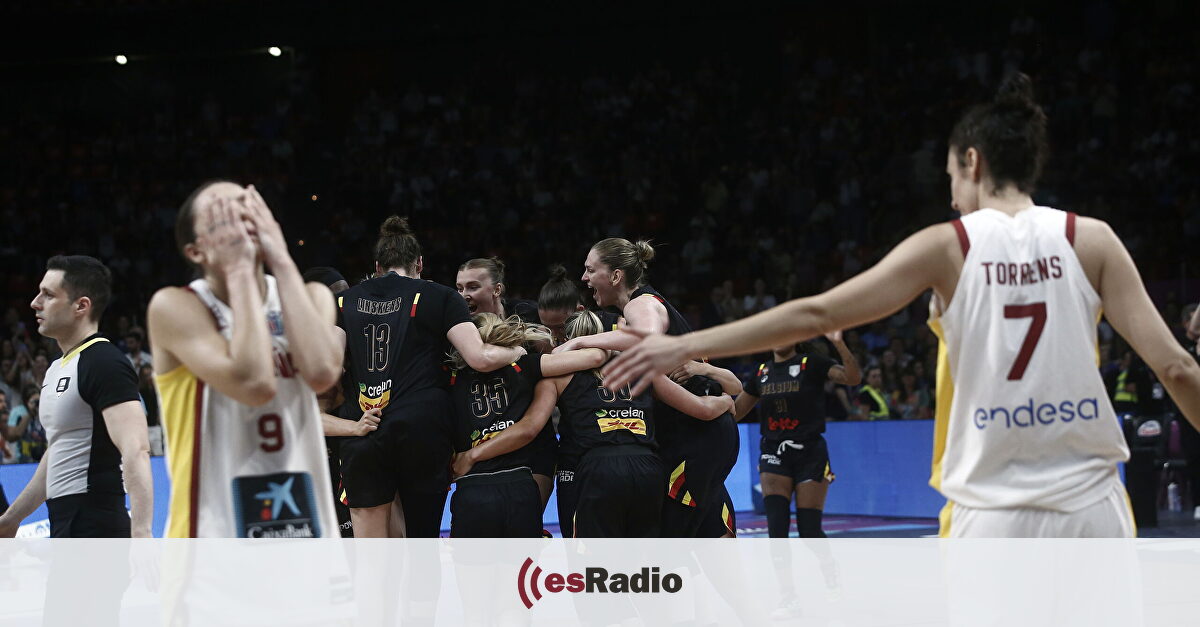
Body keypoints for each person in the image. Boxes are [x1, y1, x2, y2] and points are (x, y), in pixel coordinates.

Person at [605, 73, 1200, 537]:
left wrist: (688, 343)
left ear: (973, 162)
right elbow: (1177, 368)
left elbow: (817, 314)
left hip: (992, 510)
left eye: (950, 178)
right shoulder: (1090, 238)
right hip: (1092, 505)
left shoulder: (949, 245)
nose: (952, 195)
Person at [149, 182, 342, 537]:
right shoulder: (176, 307)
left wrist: (281, 258)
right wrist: (239, 271)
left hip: (305, 527)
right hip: (213, 541)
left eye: (245, 207)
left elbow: (321, 373)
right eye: (221, 216)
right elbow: (255, 384)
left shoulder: (313, 296)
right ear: (195, 251)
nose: (239, 221)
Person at [457, 310, 734, 537]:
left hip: (597, 469)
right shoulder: (639, 368)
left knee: (593, 573)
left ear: (570, 339)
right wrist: (725, 402)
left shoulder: (555, 377)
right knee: (645, 571)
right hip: (647, 467)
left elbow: (531, 427)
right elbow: (702, 409)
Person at [337, 216, 525, 538]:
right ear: (419, 263)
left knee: (374, 554)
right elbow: (479, 359)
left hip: (363, 427)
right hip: (422, 428)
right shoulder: (440, 296)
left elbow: (327, 370)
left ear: (378, 265)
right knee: (421, 542)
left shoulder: (343, 300)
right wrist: (517, 353)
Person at [555, 238, 741, 537]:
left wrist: (580, 340)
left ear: (616, 276)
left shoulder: (640, 303)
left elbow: (647, 338)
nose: (584, 278)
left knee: (663, 543)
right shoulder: (644, 306)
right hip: (700, 433)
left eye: (590, 270)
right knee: (704, 534)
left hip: (695, 438)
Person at [0, 255, 152, 538]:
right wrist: (11, 519)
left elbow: (137, 449)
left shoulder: (106, 362)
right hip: (65, 520)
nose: (35, 303)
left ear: (81, 306)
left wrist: (142, 533)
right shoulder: (58, 366)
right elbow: (59, 450)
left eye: (48, 295)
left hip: (96, 522)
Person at [445, 313, 607, 537]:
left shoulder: (451, 376)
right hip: (520, 487)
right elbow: (596, 357)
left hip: (473, 488)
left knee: (474, 573)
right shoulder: (525, 364)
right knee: (520, 572)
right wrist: (517, 351)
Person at [734, 332, 861, 539]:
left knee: (809, 531)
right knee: (777, 531)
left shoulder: (811, 363)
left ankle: (828, 567)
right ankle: (783, 573)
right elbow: (736, 413)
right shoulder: (761, 372)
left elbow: (852, 378)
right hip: (773, 451)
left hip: (810, 452)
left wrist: (839, 343)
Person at [456, 257, 556, 509]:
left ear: (497, 290)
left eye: (473, 287)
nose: (464, 295)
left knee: (529, 528)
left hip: (532, 437)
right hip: (483, 438)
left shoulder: (528, 313)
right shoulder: (456, 324)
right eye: (459, 288)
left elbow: (555, 351)